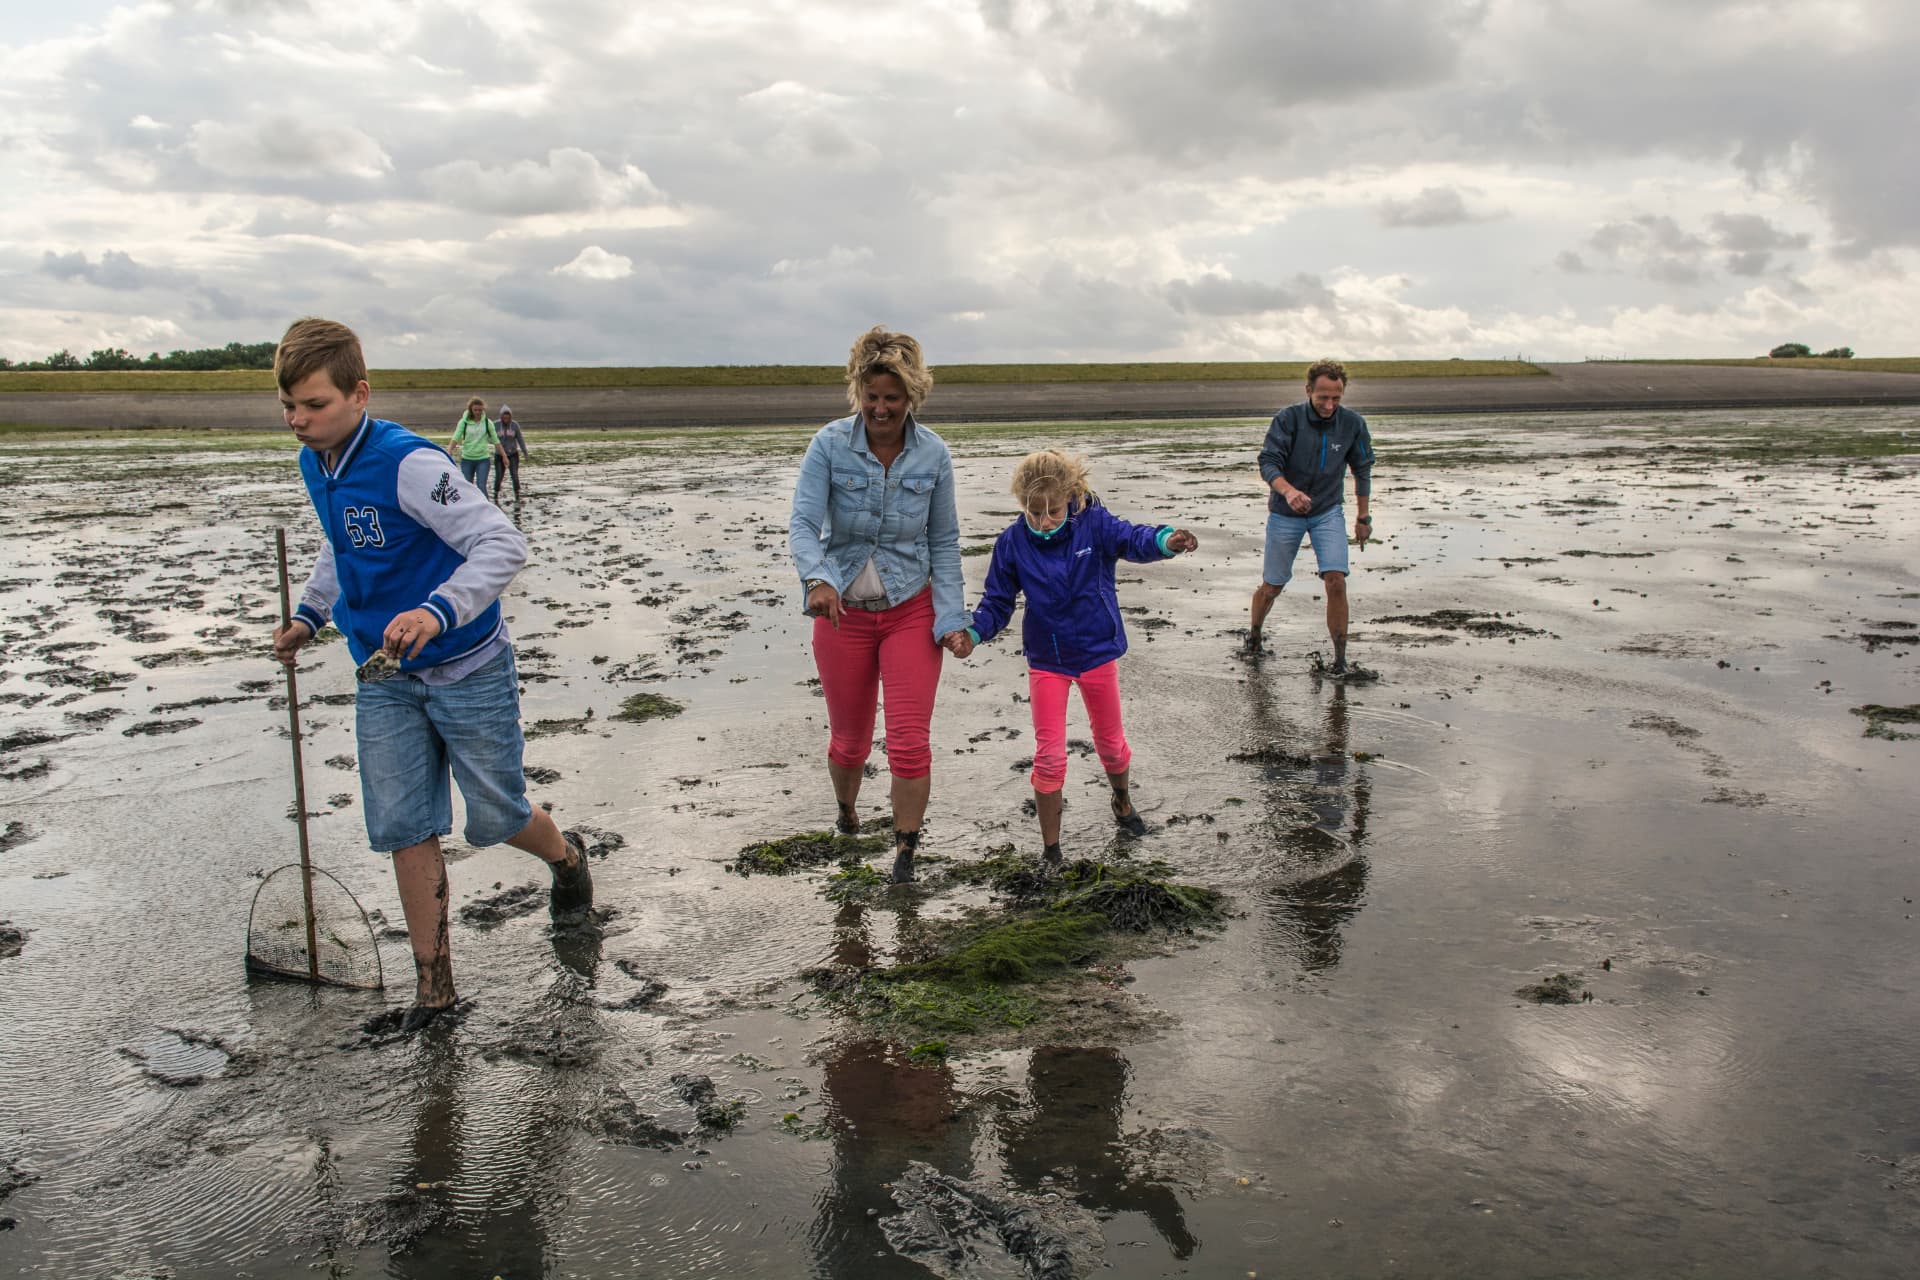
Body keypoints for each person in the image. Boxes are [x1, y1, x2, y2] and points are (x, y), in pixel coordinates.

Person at [268, 318, 591, 1030]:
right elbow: (341, 541)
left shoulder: (409, 464)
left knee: (498, 816)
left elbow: (502, 543)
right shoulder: (315, 462)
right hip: (383, 675)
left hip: (466, 664)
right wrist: (310, 612)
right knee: (404, 825)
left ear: (359, 393)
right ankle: (435, 991)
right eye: (289, 406)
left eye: (314, 405)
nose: (298, 420)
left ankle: (567, 859)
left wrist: (436, 611)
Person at [787, 326, 972, 884]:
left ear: (911, 396)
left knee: (910, 740)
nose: (881, 409)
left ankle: (905, 855)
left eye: (892, 398)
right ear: (857, 392)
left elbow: (943, 543)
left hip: (910, 610)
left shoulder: (934, 454)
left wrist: (952, 619)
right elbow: (802, 524)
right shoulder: (829, 445)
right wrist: (816, 580)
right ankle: (846, 814)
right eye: (872, 397)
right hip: (841, 611)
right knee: (850, 740)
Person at [962, 450, 1198, 863]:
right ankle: (1051, 850)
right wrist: (972, 633)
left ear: (1071, 497)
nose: (1044, 521)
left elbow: (1134, 538)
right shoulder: (1013, 542)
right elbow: (997, 602)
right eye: (1034, 512)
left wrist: (1166, 540)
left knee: (1111, 745)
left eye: (1053, 511)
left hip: (1096, 653)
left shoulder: (1096, 524)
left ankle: (1122, 801)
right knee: (1049, 756)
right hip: (1047, 661)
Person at [1247, 358, 1375, 672]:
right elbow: (1268, 463)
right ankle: (1254, 635)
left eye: (1336, 398)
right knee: (1273, 585)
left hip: (1327, 512)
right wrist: (1289, 492)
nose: (1330, 404)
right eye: (1323, 398)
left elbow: (1362, 470)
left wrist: (1363, 518)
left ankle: (1340, 661)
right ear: (1308, 391)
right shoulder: (1288, 419)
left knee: (1336, 580)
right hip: (1285, 513)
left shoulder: (1352, 424)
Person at [449, 396, 499, 497]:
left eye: (480, 410)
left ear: (483, 410)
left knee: (481, 486)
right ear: (471, 409)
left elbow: (495, 440)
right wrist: (449, 450)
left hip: (483, 459)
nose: (477, 412)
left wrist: (504, 456)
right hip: (467, 459)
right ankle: (469, 509)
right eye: (475, 410)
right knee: (467, 486)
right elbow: (456, 437)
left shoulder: (487, 423)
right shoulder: (463, 422)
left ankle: (486, 509)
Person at [492, 405, 530, 503]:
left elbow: (520, 439)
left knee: (514, 474)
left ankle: (517, 493)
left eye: (508, 418)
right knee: (499, 475)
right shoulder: (495, 425)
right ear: (501, 416)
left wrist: (525, 452)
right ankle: (495, 494)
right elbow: (489, 437)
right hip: (499, 455)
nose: (506, 419)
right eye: (504, 417)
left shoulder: (514, 425)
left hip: (513, 454)